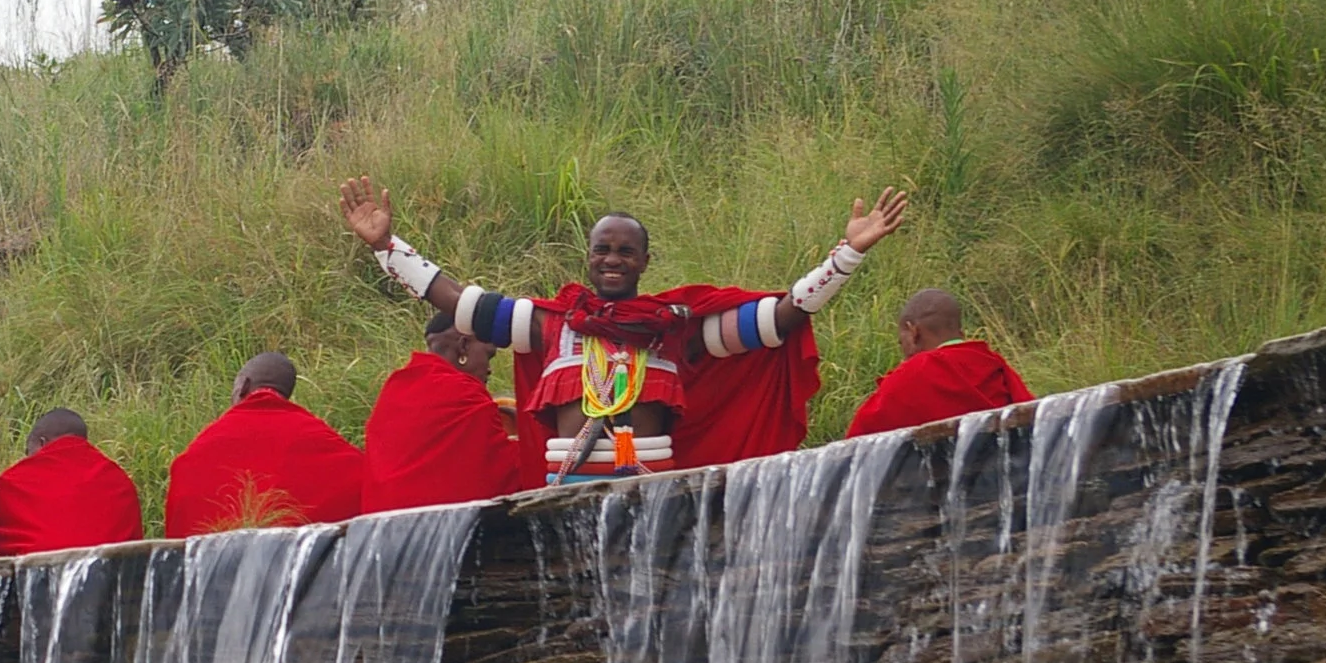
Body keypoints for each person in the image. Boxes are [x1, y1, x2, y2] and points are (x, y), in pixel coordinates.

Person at [340, 176, 908, 483]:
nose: (613, 259)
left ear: (643, 261)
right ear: (588, 257)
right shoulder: (549, 325)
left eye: (626, 251)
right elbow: (455, 300)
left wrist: (847, 256)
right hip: (567, 490)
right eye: (603, 250)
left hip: (655, 489)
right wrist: (386, 247)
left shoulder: (676, 330)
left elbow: (781, 318)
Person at [163, 352, 364, 538]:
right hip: (308, 571)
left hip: (217, 571)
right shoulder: (322, 439)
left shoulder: (206, 445)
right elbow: (355, 476)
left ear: (243, 386)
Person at [362, 312, 532, 512]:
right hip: (441, 530)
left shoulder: (395, 388)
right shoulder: (464, 392)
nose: (489, 369)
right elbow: (502, 474)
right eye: (488, 355)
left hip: (379, 528)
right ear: (463, 346)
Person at [846, 289, 1034, 437]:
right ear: (960, 333)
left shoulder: (913, 373)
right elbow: (1031, 417)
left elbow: (858, 441)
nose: (902, 351)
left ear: (913, 331)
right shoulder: (993, 363)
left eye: (900, 341)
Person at [0, 409, 144, 557]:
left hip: (38, 580)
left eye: (29, 452)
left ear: (42, 442)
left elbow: (3, 542)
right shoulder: (117, 478)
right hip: (109, 579)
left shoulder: (15, 479)